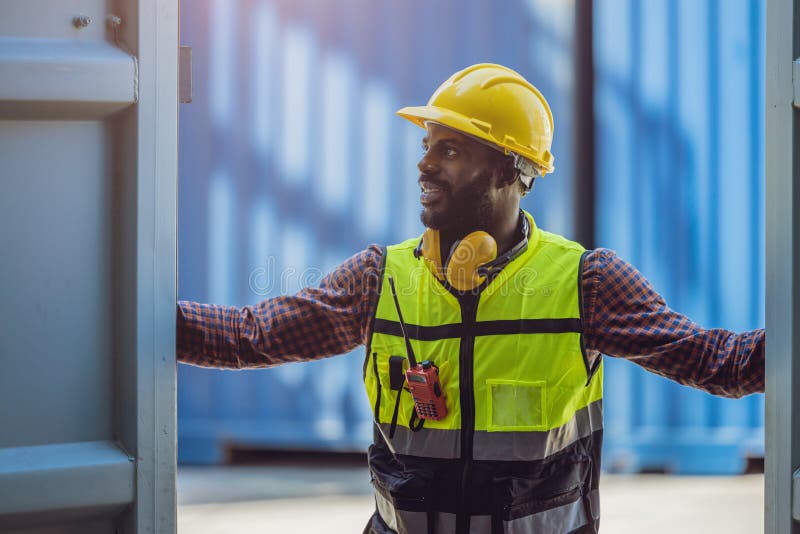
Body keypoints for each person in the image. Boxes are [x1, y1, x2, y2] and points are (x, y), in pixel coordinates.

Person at [177, 63, 764, 534]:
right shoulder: (379, 280)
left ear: (512, 169)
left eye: (451, 150)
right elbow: (249, 337)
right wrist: (130, 315)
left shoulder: (586, 283)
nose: (424, 163)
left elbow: (720, 363)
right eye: (427, 144)